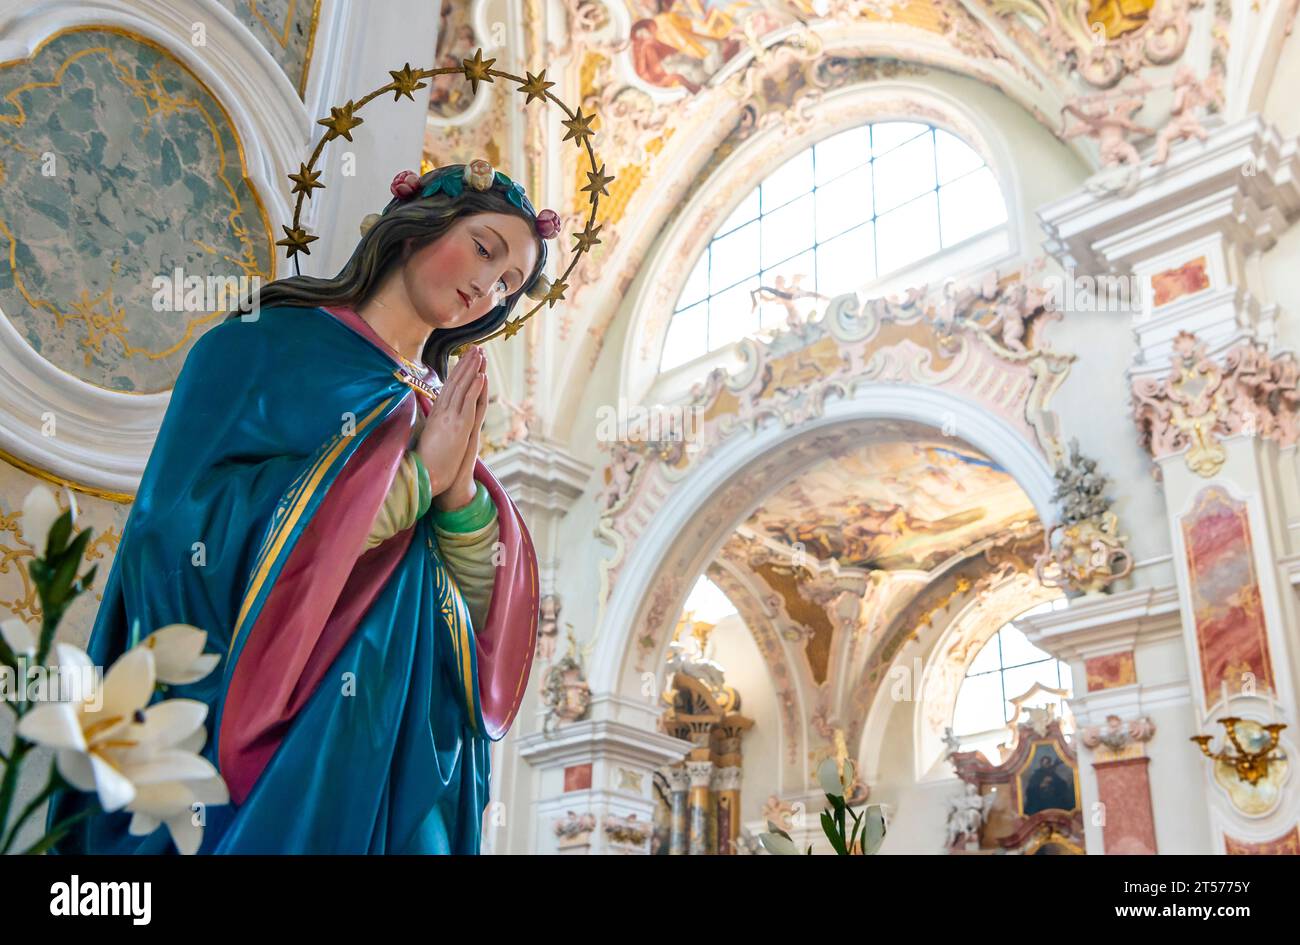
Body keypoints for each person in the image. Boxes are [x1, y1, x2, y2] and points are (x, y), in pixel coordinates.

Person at [47, 161, 554, 853]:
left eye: (508, 286)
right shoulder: (263, 346)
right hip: (284, 727)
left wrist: (457, 495)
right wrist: (408, 484)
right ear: (417, 227)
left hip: (409, 734)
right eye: (486, 248)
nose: (486, 287)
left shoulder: (440, 409)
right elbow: (174, 529)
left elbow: (476, 605)